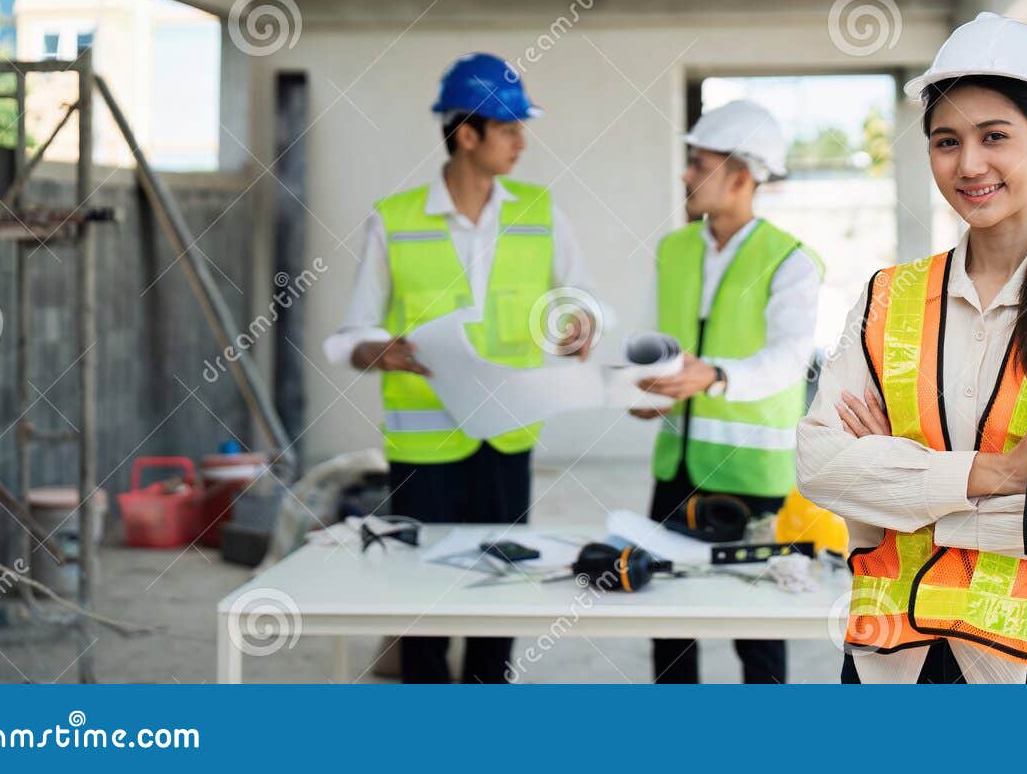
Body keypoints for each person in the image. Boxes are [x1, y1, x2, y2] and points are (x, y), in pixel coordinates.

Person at [797, 14, 1027, 684]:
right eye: (946, 140)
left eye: (995, 137)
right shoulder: (888, 296)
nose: (969, 165)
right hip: (890, 665)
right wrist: (999, 475)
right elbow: (820, 466)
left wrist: (904, 493)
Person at [323, 52, 594, 684]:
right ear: (465, 133)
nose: (521, 142)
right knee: (422, 600)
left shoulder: (541, 209)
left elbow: (576, 297)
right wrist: (372, 350)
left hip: (507, 434)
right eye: (508, 128)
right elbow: (351, 334)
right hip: (424, 446)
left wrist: (577, 323)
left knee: (497, 590)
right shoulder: (393, 219)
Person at [632, 99, 822, 683]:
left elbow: (790, 360)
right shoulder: (673, 249)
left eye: (698, 162)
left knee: (757, 629)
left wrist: (713, 375)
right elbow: (659, 345)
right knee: (665, 616)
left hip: (751, 476)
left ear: (740, 178)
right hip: (676, 467)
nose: (686, 174)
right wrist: (650, 390)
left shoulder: (791, 261)